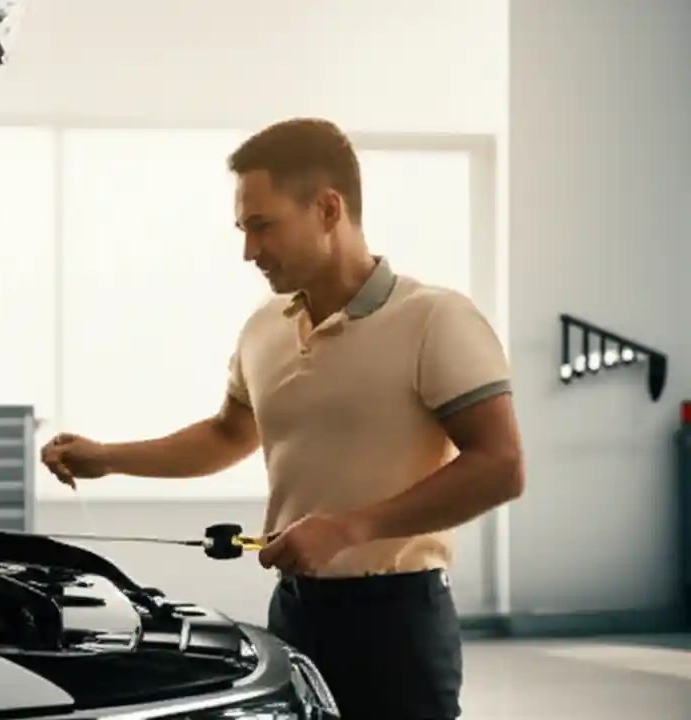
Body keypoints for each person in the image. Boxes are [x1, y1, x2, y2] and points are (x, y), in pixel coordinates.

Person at [40, 117, 525, 720]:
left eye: (262, 226)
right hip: (294, 611)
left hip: (398, 620)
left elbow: (501, 467)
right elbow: (226, 435)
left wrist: (348, 530)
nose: (249, 251)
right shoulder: (263, 327)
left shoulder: (437, 320)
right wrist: (108, 458)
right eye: (244, 230)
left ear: (327, 209)